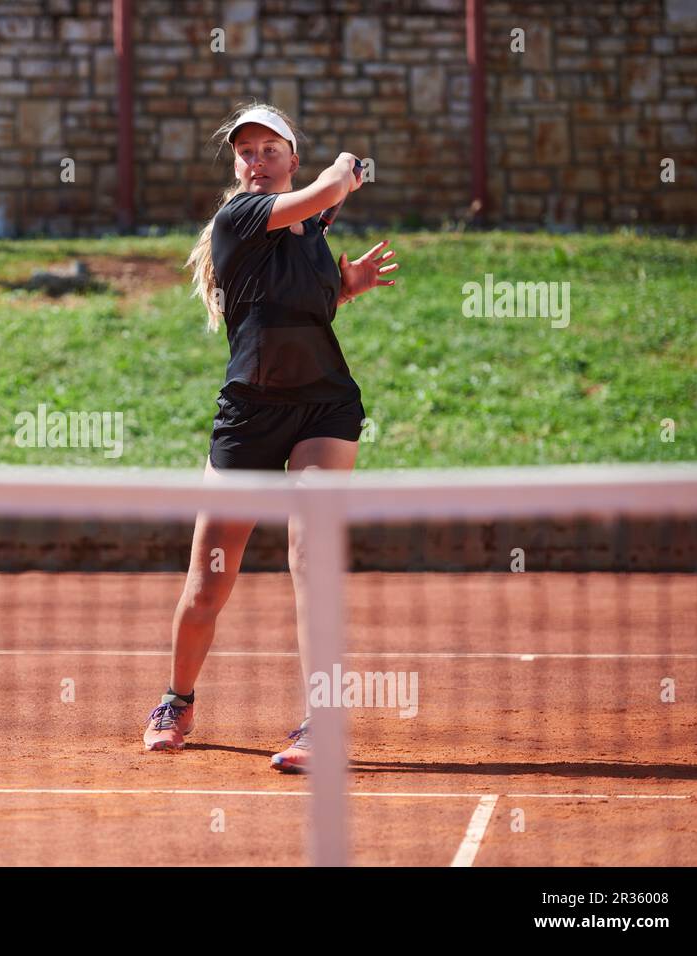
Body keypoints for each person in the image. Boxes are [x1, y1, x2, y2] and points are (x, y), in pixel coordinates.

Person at [143, 104, 399, 771]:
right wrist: (346, 170)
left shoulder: (309, 229)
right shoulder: (239, 217)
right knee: (210, 580)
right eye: (245, 152)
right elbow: (329, 189)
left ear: (289, 154)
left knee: (311, 557)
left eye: (268, 149)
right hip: (250, 414)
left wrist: (343, 287)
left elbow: (287, 307)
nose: (255, 161)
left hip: (323, 407)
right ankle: (177, 700)